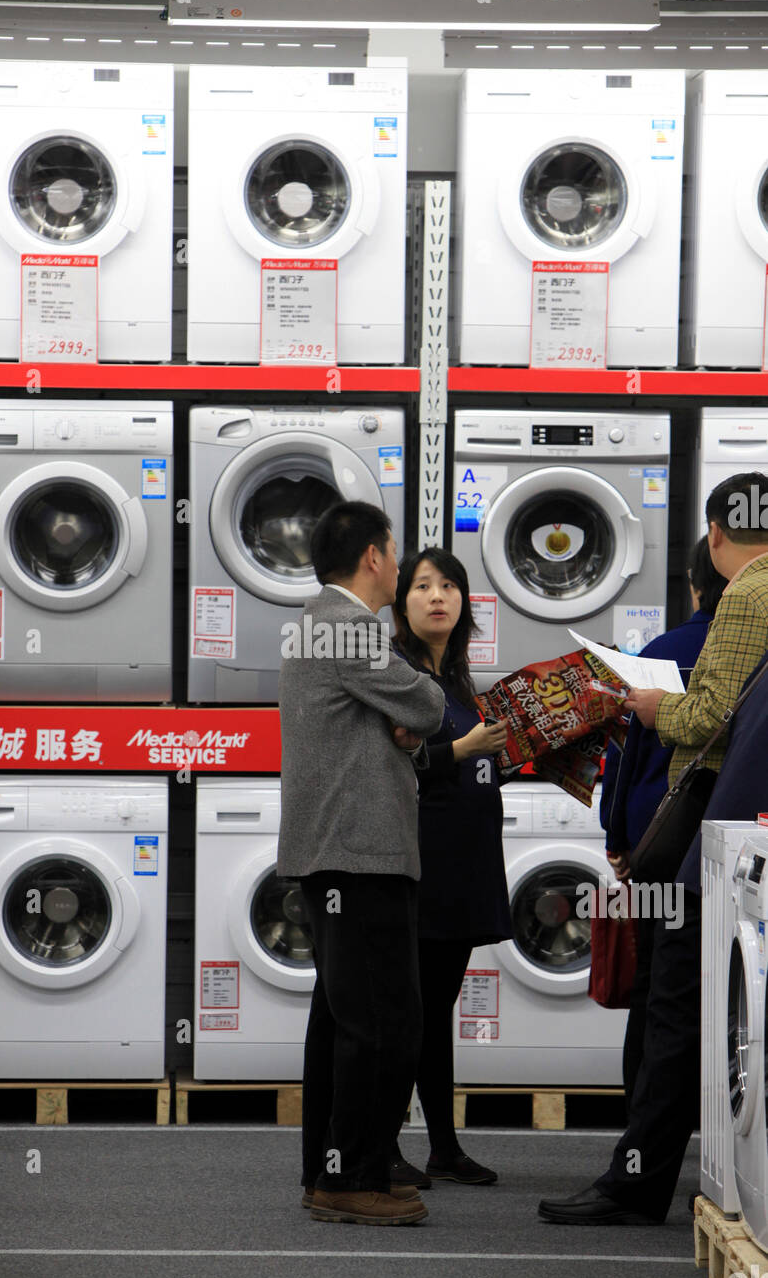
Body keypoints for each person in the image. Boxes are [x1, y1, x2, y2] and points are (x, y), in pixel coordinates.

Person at [538, 471, 768, 1225]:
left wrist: (648, 702)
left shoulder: (747, 593)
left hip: (723, 838)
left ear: (714, 536)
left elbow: (707, 719)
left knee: (674, 1010)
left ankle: (635, 1182)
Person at [278, 500, 445, 1226]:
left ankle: (338, 1167)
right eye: (396, 552)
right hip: (359, 854)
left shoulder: (320, 624)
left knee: (349, 1020)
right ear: (374, 557)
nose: (403, 565)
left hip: (338, 852)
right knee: (384, 1022)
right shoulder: (347, 628)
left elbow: (395, 724)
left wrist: (399, 732)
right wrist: (409, 722)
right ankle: (351, 1179)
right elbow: (430, 704)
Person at [388, 548, 511, 1188]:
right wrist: (464, 748)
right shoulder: (397, 671)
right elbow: (389, 766)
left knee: (436, 1011)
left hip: (463, 866)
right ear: (402, 601)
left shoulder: (459, 679)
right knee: (407, 1012)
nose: (438, 596)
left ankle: (442, 1145)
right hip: (417, 864)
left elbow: (473, 766)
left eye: (450, 586)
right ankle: (383, 1145)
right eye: (422, 586)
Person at [599, 536, 727, 1111]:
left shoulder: (662, 651)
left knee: (655, 994)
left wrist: (618, 838)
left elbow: (623, 757)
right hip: (741, 842)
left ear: (696, 585)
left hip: (663, 844)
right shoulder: (754, 651)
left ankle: (642, 1135)